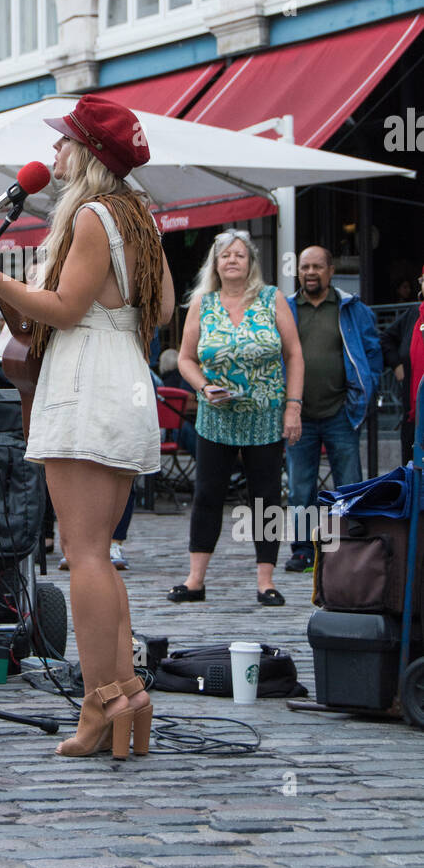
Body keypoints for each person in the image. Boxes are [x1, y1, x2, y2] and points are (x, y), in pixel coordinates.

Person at [0, 93, 175, 760]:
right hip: (123, 373)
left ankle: (100, 702)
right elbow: (159, 305)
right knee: (99, 553)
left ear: (88, 154)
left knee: (82, 555)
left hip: (85, 383)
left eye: (63, 143)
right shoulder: (140, 215)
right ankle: (129, 695)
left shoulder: (90, 216)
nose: (54, 154)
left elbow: (66, 309)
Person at [173, 229, 304, 606]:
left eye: (239, 255)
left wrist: (293, 406)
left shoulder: (271, 299)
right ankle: (195, 580)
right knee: (207, 496)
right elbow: (185, 358)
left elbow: (294, 353)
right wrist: (202, 387)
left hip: (265, 415)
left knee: (265, 498)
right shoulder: (204, 303)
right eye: (225, 255)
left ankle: (266, 581)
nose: (232, 260)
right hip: (217, 416)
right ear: (215, 263)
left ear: (251, 263)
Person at [284, 246, 382, 573]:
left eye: (317, 267)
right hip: (298, 416)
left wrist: (368, 391)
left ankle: (351, 546)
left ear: (330, 270)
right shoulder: (284, 309)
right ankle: (303, 550)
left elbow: (372, 354)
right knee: (300, 487)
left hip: (341, 411)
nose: (310, 273)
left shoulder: (351, 309)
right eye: (304, 267)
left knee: (350, 483)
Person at [381, 264, 424, 466]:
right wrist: (397, 365)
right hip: (413, 417)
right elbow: (386, 338)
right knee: (413, 473)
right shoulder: (413, 315)